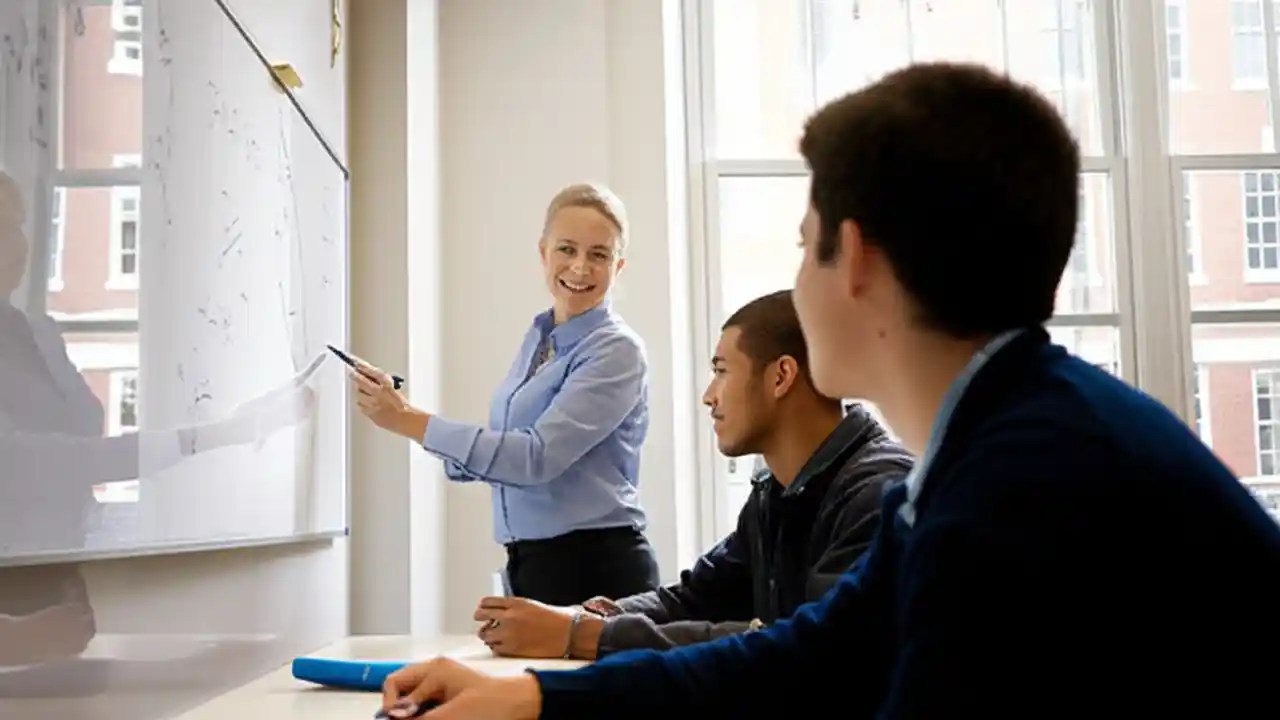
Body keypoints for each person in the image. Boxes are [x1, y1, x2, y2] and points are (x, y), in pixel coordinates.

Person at [376, 62, 1280, 719]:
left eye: (803, 243)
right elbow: (809, 655)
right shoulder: (989, 444)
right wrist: (531, 697)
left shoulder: (1025, 478)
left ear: (857, 261)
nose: (793, 294)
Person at [469, 289, 912, 660]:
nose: (708, 396)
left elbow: (808, 650)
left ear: (780, 377)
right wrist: (583, 618)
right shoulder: (775, 493)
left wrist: (582, 637)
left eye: (721, 371)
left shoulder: (878, 493)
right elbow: (693, 598)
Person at [0, 170, 314, 665]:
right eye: (3, 226)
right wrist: (222, 434)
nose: (19, 242)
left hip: (60, 586)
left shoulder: (37, 333)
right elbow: (41, 462)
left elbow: (80, 449)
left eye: (19, 224)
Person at [350, 182, 659, 606]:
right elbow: (508, 451)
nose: (581, 267)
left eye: (599, 255)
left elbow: (535, 458)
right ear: (543, 252)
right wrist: (408, 419)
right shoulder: (541, 336)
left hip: (595, 565)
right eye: (567, 249)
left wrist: (408, 420)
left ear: (618, 266)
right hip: (532, 564)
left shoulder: (616, 350)